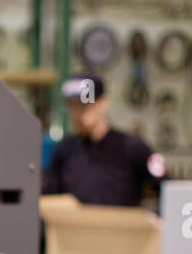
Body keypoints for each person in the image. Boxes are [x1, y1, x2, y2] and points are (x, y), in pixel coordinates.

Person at [42, 73, 166, 207]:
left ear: (103, 103)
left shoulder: (131, 147)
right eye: (73, 105)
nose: (79, 112)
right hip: (76, 226)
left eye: (85, 104)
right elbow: (48, 195)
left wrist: (154, 220)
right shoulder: (65, 150)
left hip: (119, 226)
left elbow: (167, 187)